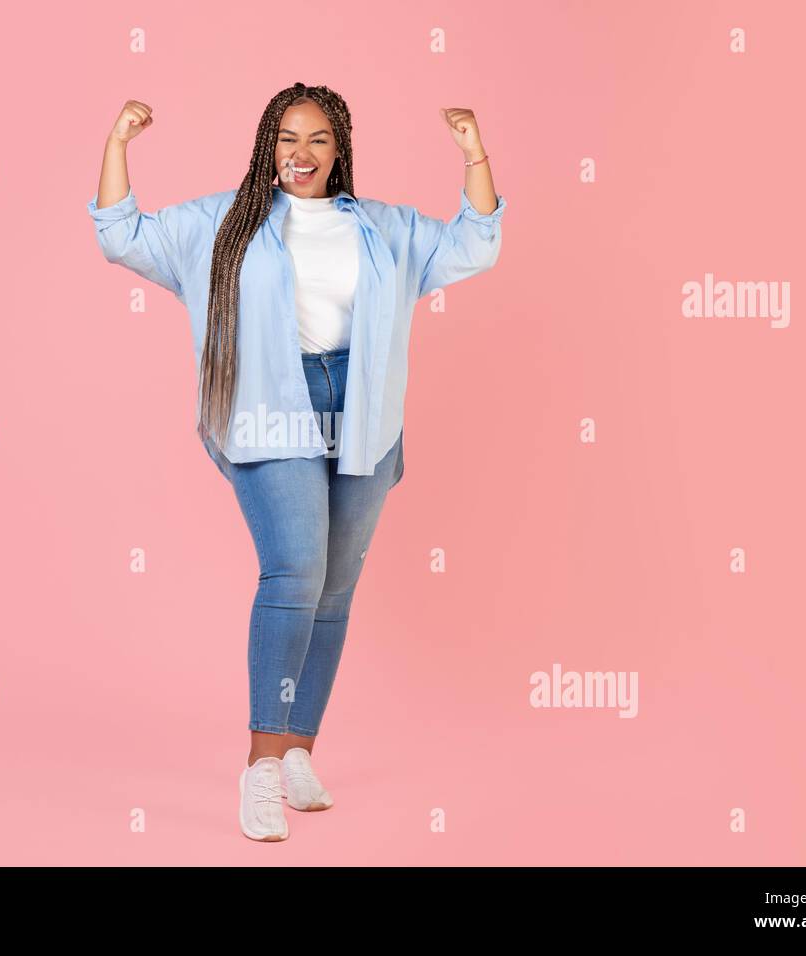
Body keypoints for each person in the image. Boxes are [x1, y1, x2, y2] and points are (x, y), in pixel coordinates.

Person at [88, 82, 505, 842]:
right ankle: (259, 766)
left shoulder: (381, 228)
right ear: (266, 147)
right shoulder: (225, 222)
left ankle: (300, 753)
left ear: (339, 148)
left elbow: (474, 242)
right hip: (267, 407)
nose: (300, 153)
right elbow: (122, 234)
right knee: (295, 571)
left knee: (336, 589)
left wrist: (474, 154)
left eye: (316, 139)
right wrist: (117, 144)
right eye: (286, 138)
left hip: (362, 409)